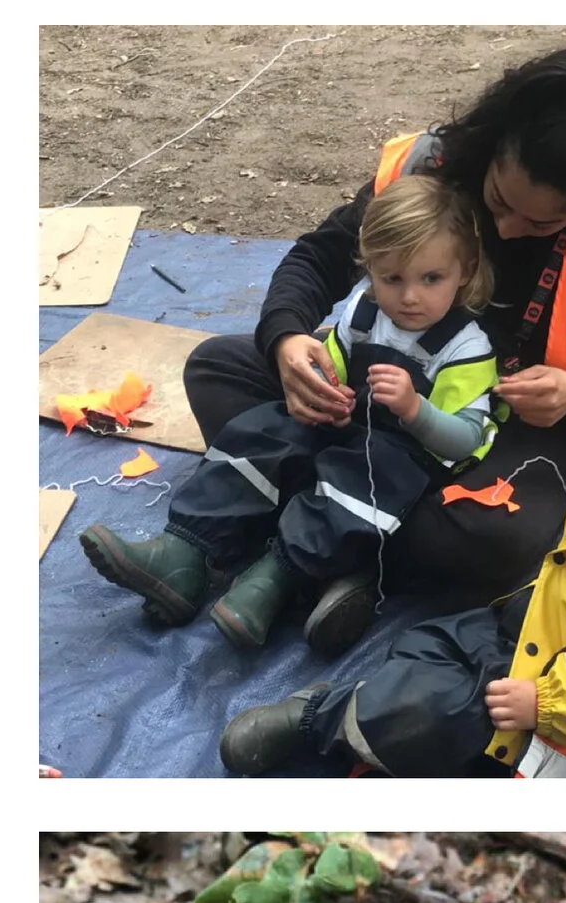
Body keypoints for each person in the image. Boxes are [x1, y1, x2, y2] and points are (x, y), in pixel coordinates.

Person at [179, 46, 566, 606]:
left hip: (501, 430)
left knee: (500, 537)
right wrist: (287, 338)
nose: (507, 228)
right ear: (492, 146)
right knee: (216, 369)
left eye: (543, 223)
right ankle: (344, 531)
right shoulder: (427, 166)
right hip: (365, 400)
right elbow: (320, 257)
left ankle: (313, 523)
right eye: (497, 199)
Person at [218, 306, 566, 776]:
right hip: (538, 627)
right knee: (431, 642)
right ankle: (375, 701)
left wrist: (545, 704)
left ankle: (320, 720)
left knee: (431, 710)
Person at [81, 176, 498, 656]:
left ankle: (275, 577)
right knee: (264, 431)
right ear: (369, 270)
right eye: (392, 279)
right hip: (347, 427)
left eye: (431, 279)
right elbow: (337, 359)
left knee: (357, 485)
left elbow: (465, 438)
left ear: (463, 272)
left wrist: (415, 409)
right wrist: (322, 388)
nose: (409, 297)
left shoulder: (467, 348)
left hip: (404, 456)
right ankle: (184, 549)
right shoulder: (364, 309)